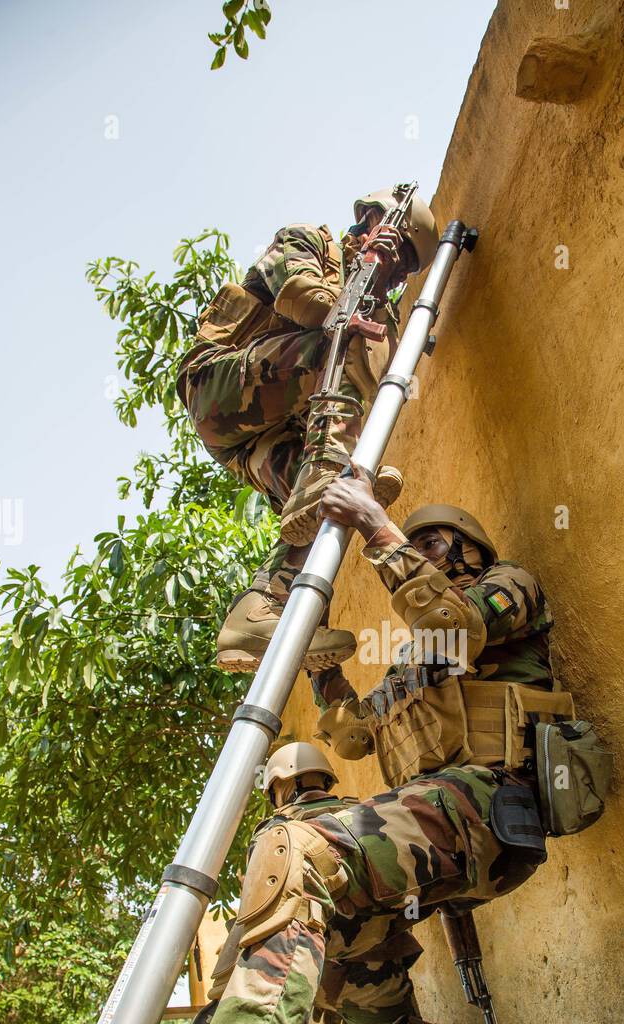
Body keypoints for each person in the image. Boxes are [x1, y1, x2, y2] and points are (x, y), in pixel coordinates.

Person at [65, 478, 572, 1024]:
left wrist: (375, 528)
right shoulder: (415, 659)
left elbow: (458, 625)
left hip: (492, 807)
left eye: (437, 542)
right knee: (335, 925)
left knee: (295, 850)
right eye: (419, 541)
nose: (424, 550)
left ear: (471, 551)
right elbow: (356, 736)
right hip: (435, 818)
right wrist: (320, 671)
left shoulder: (506, 589)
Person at [176, 188, 438, 674]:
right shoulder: (309, 242)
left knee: (322, 524)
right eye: (396, 251)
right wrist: (363, 298)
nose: (395, 271)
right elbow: (302, 299)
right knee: (342, 339)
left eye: (405, 268)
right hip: (220, 391)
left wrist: (381, 315)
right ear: (368, 221)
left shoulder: (377, 306)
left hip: (267, 440)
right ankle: (326, 475)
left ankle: (262, 617)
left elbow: (380, 382)